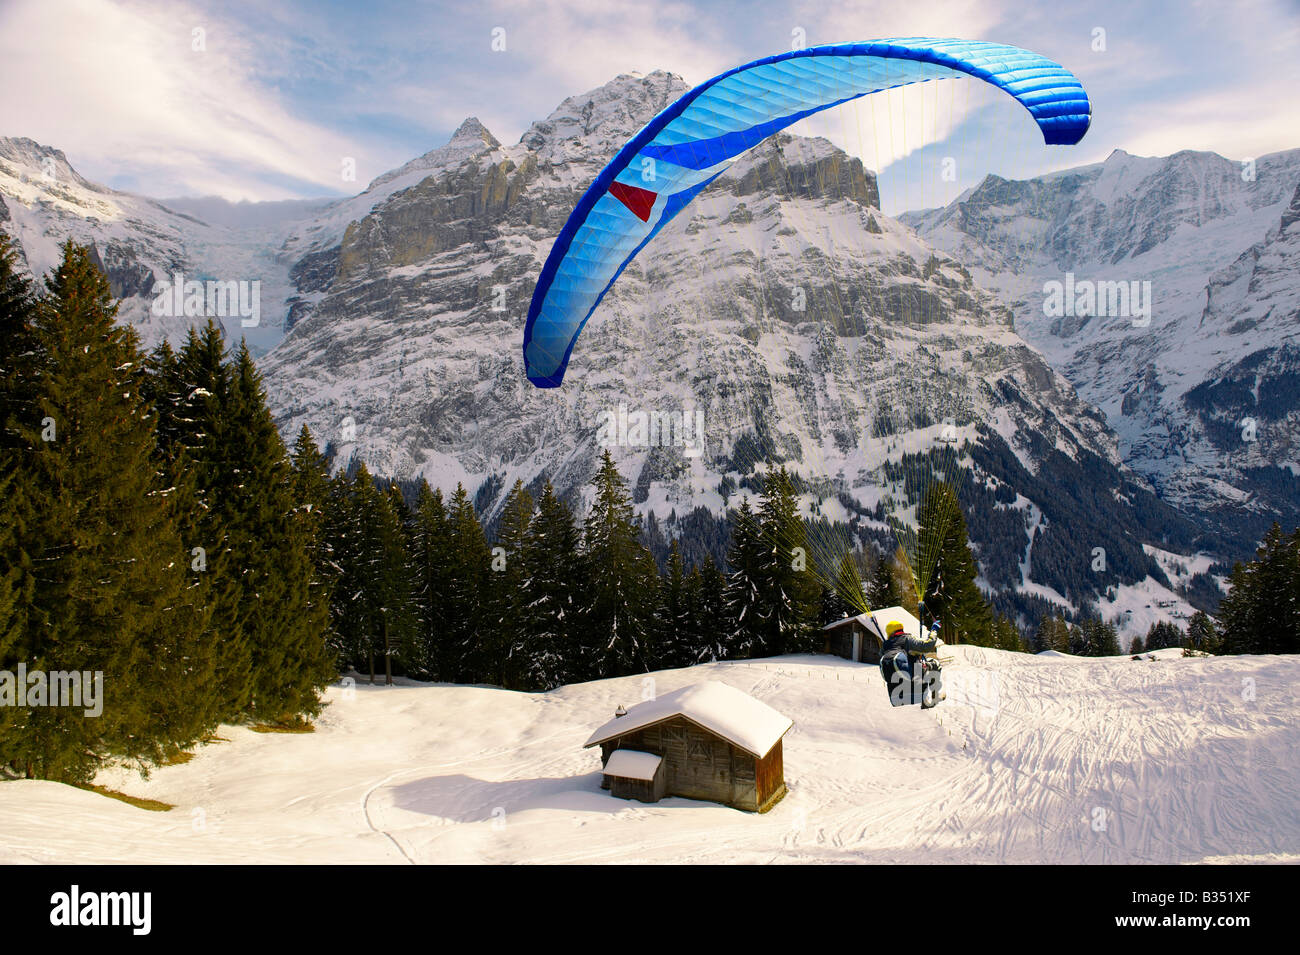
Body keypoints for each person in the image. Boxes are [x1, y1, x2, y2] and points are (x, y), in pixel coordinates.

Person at [879, 619, 941, 706]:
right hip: (917, 694)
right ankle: (934, 698)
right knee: (934, 664)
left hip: (896, 698)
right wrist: (934, 630)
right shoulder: (907, 640)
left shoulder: (885, 647)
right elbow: (927, 645)